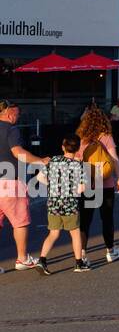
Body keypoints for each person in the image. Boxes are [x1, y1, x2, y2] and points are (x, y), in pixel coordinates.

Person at [0, 100, 49, 273]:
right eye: (17, 113)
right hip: (11, 181)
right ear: (10, 113)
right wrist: (40, 160)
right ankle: (22, 258)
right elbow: (18, 152)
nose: (18, 117)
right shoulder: (11, 130)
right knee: (20, 221)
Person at [77, 106, 119, 263]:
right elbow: (113, 157)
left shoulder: (81, 137)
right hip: (105, 181)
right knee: (107, 218)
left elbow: (76, 160)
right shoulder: (106, 136)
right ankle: (110, 250)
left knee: (85, 219)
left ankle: (82, 253)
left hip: (88, 183)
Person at [35, 136, 88, 274]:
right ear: (77, 149)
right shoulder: (79, 165)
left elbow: (40, 177)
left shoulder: (53, 160)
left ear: (63, 147)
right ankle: (78, 263)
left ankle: (42, 260)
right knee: (75, 234)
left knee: (53, 233)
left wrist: (53, 186)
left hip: (53, 203)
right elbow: (82, 188)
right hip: (70, 204)